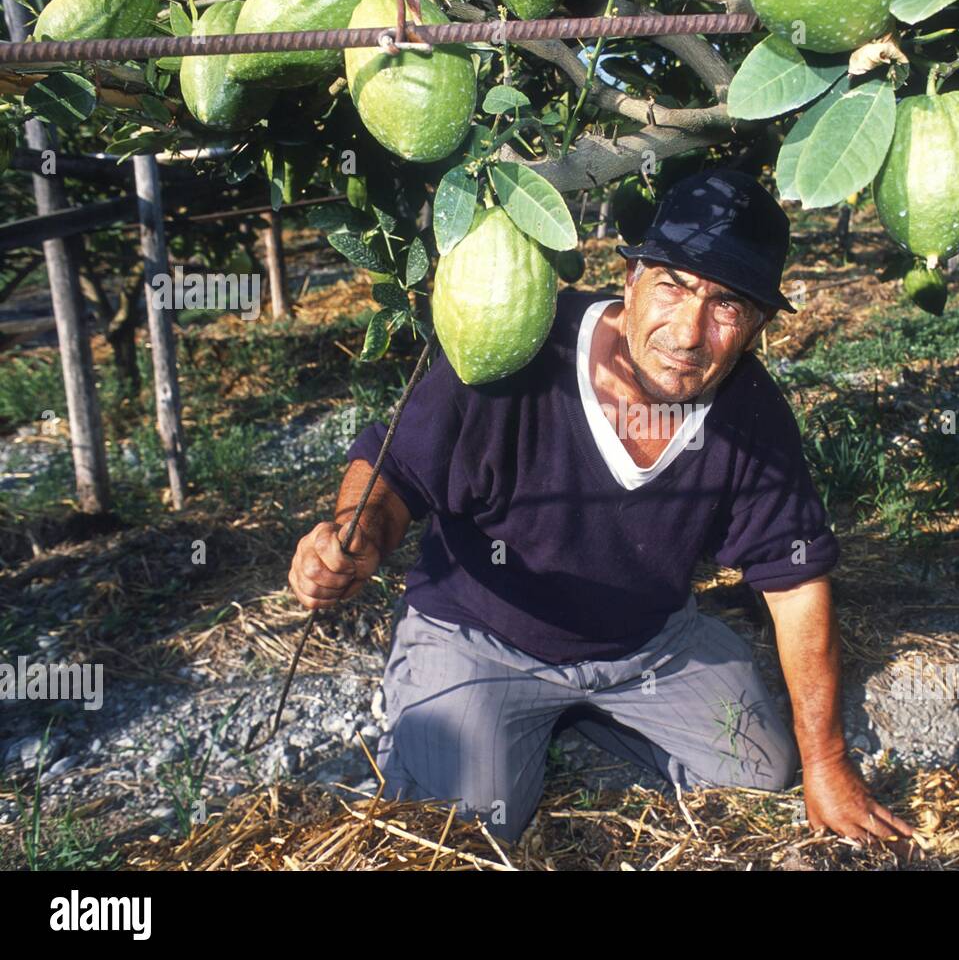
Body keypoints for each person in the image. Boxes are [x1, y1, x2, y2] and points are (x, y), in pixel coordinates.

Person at [289, 168, 914, 849]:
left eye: (727, 306)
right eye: (673, 287)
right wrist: (356, 537)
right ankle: (498, 711)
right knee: (466, 825)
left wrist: (827, 763)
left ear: (759, 325)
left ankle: (580, 715)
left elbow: (795, 582)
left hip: (644, 645)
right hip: (481, 637)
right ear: (631, 277)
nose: (689, 331)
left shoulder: (750, 413)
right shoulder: (522, 344)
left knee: (758, 770)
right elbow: (396, 469)